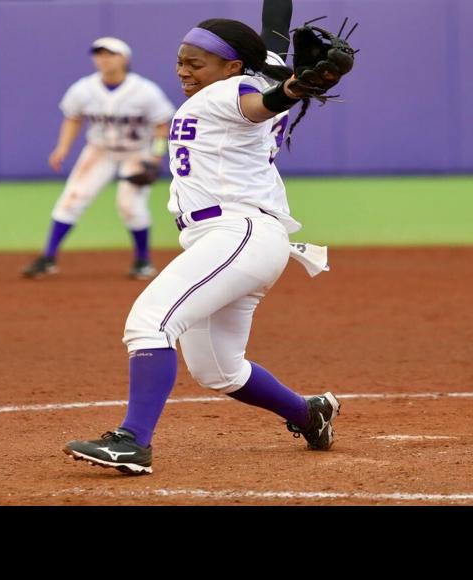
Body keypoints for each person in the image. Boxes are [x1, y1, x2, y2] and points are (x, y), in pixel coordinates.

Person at [64, 17, 349, 474]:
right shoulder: (242, 79)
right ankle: (307, 412)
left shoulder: (229, 92)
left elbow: (260, 103)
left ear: (231, 65)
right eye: (180, 61)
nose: (184, 70)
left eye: (196, 63)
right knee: (219, 370)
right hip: (235, 240)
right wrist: (286, 79)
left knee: (150, 323)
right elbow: (274, 32)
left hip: (237, 234)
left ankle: (132, 442)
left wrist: (292, 90)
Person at [22, 37, 176, 281]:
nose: (103, 58)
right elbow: (73, 118)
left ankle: (143, 260)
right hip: (99, 151)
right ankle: (48, 258)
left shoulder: (145, 91)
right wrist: (62, 148)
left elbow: (161, 126)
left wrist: (155, 158)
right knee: (71, 199)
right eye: (99, 54)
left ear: (124, 58)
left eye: (110, 54)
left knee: (130, 206)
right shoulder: (83, 89)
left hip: (136, 151)